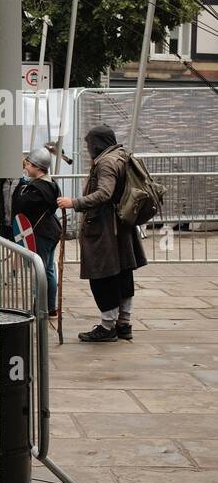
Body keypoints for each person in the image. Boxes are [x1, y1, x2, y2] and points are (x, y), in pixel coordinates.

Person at [58, 125, 147, 342]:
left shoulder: (106, 162)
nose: (88, 148)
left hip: (105, 229)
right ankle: (123, 324)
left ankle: (108, 328)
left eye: (89, 143)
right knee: (123, 273)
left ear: (97, 143)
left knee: (102, 276)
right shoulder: (122, 155)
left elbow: (104, 193)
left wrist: (74, 203)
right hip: (121, 226)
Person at [12, 146, 61, 318]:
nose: (26, 167)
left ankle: (41, 308)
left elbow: (20, 204)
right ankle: (50, 306)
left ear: (37, 166)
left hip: (41, 232)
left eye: (29, 164)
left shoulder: (36, 189)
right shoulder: (52, 185)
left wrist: (19, 186)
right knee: (47, 270)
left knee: (40, 270)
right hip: (51, 230)